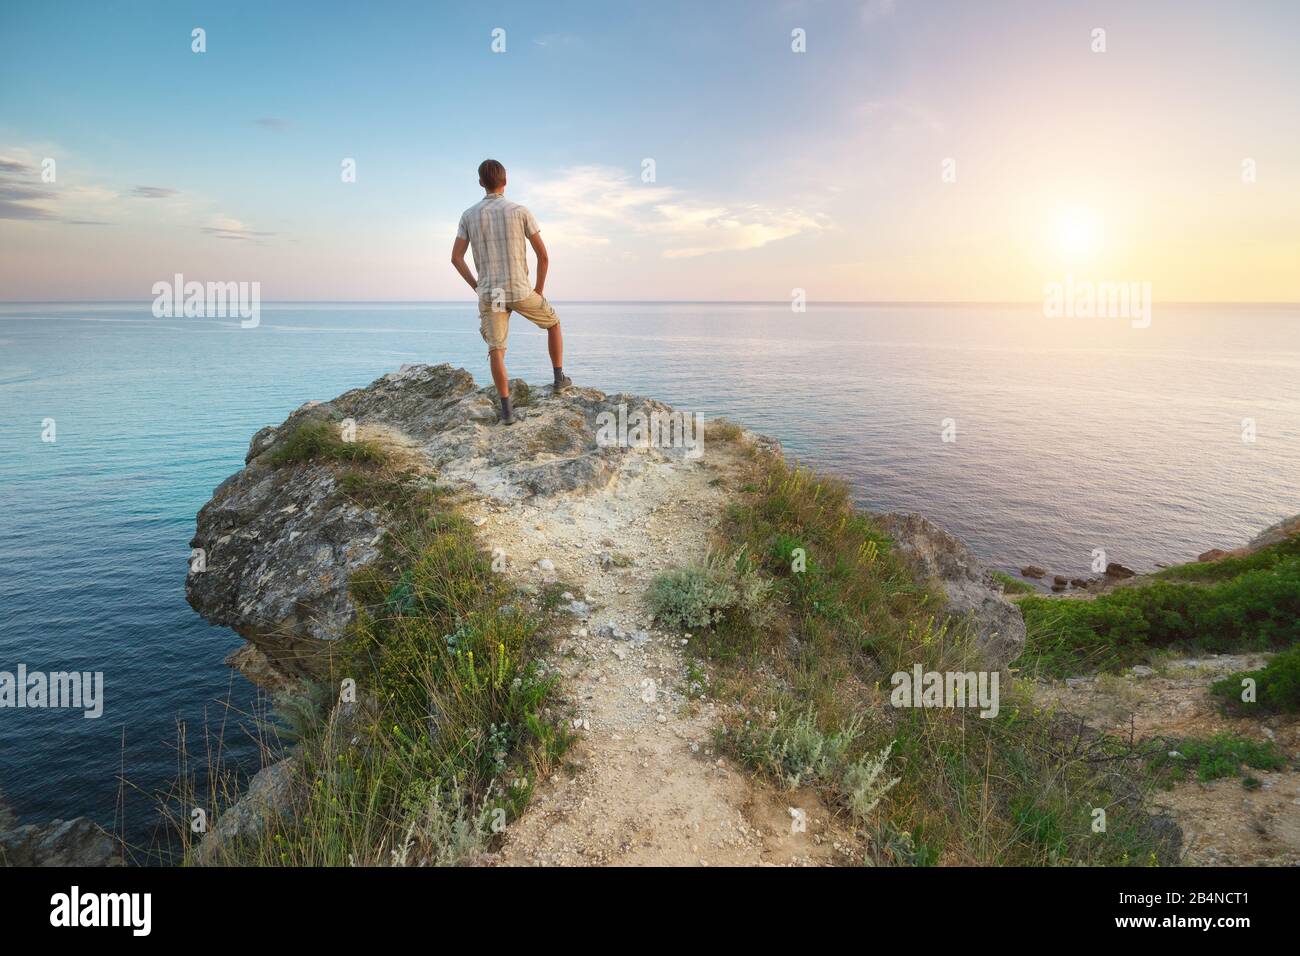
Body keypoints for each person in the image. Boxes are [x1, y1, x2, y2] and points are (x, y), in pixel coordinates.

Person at [450, 158, 571, 425]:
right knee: (553, 324)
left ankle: (506, 412)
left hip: (493, 295)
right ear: (506, 181)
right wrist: (538, 290)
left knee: (496, 349)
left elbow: (456, 258)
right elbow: (544, 256)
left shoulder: (468, 215)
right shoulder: (520, 211)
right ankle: (559, 379)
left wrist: (476, 285)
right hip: (519, 290)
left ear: (481, 183)